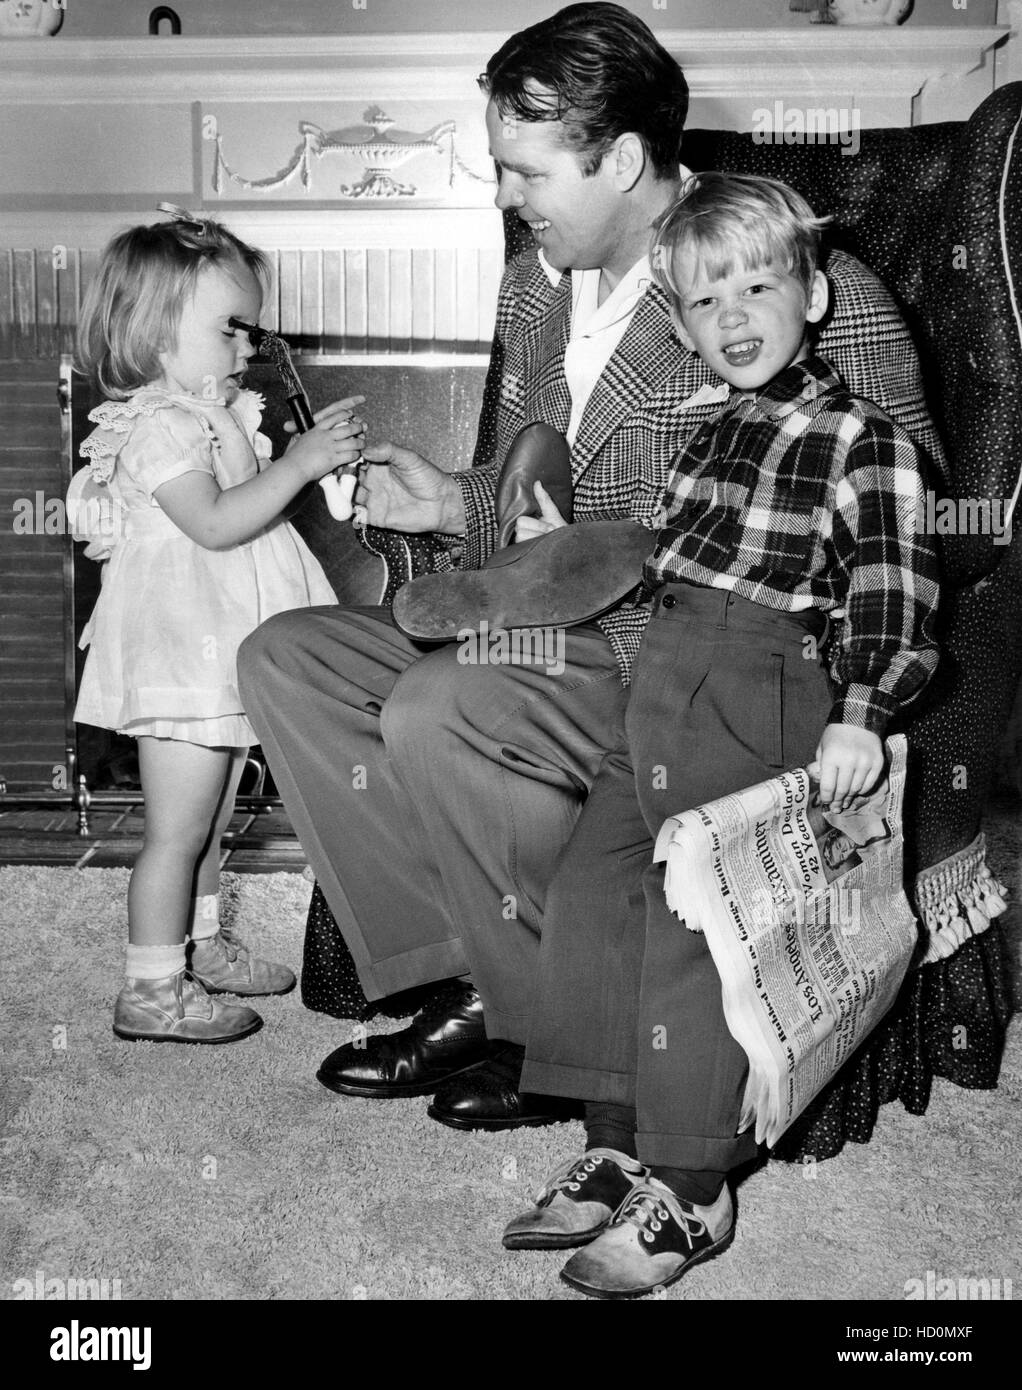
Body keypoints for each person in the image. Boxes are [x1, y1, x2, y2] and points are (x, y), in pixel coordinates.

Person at [237, 2, 943, 1123]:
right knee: (288, 657)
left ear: (619, 159)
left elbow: (905, 514)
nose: (505, 197)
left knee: (437, 703)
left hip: (689, 674)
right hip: (538, 630)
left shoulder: (787, 283)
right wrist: (449, 500)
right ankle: (470, 976)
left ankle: (552, 1035)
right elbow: (536, 507)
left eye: (522, 171)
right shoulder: (534, 281)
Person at [502, 170, 940, 1298]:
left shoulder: (861, 438)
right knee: (599, 893)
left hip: (765, 687)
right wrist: (578, 544)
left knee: (705, 925)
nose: (731, 317)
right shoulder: (706, 431)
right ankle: (616, 1131)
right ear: (682, 328)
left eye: (756, 286)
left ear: (813, 297)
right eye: (702, 302)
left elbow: (888, 592)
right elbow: (670, 558)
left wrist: (860, 710)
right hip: (663, 683)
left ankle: (692, 1184)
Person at [73, 207, 365, 1044]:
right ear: (157, 333)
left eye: (252, 331)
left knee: (211, 817)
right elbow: (214, 523)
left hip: (220, 651)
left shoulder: (217, 415)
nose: (248, 350)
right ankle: (152, 985)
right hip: (180, 652)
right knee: (175, 830)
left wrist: (309, 466)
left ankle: (198, 946)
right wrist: (302, 466)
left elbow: (248, 509)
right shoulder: (158, 424)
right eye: (231, 330)